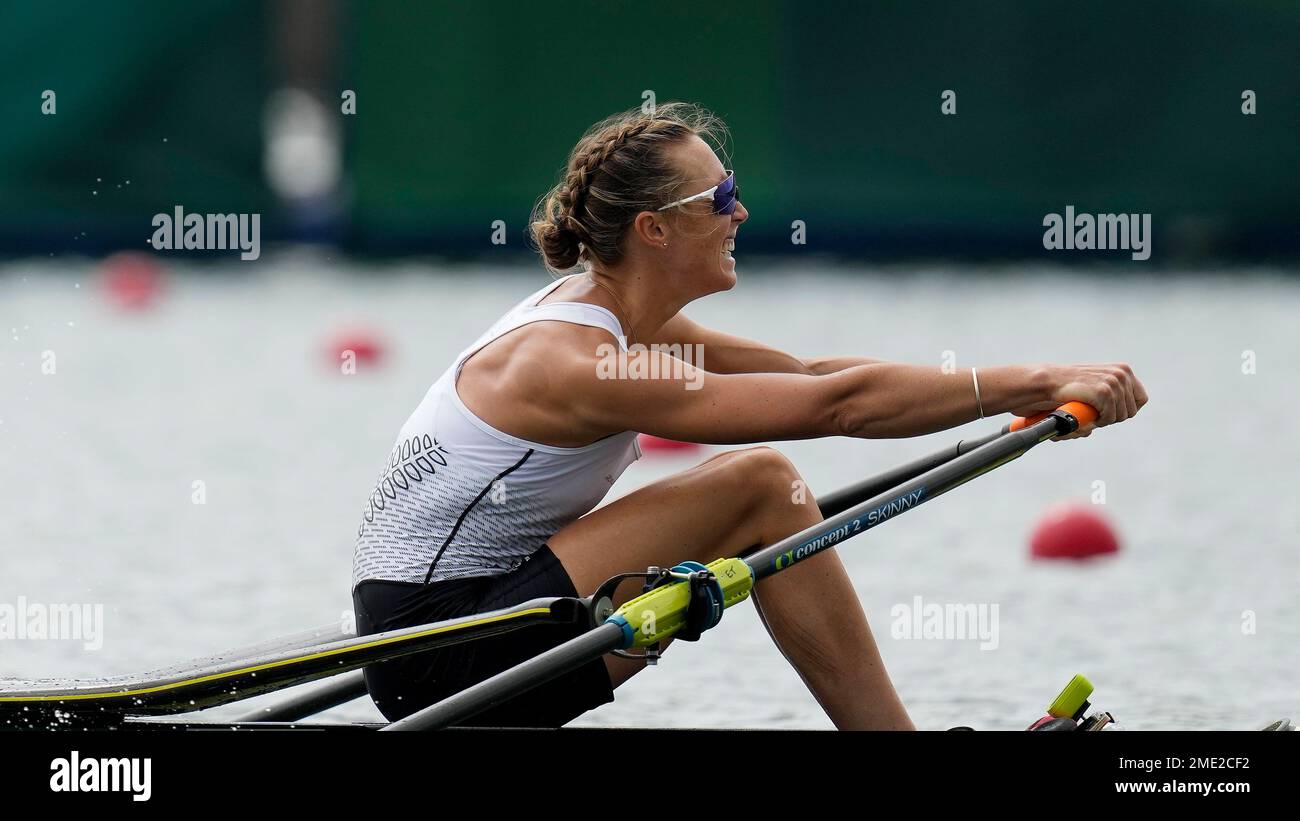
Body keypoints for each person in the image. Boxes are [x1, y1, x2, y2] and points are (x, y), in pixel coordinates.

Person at [350, 102, 1147, 729]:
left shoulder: (620, 317)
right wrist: (1034, 380)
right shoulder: (576, 362)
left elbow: (810, 374)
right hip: (441, 653)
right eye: (720, 198)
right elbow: (839, 408)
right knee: (762, 484)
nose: (741, 212)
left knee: (765, 495)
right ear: (653, 230)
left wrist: (1023, 381)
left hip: (480, 621)